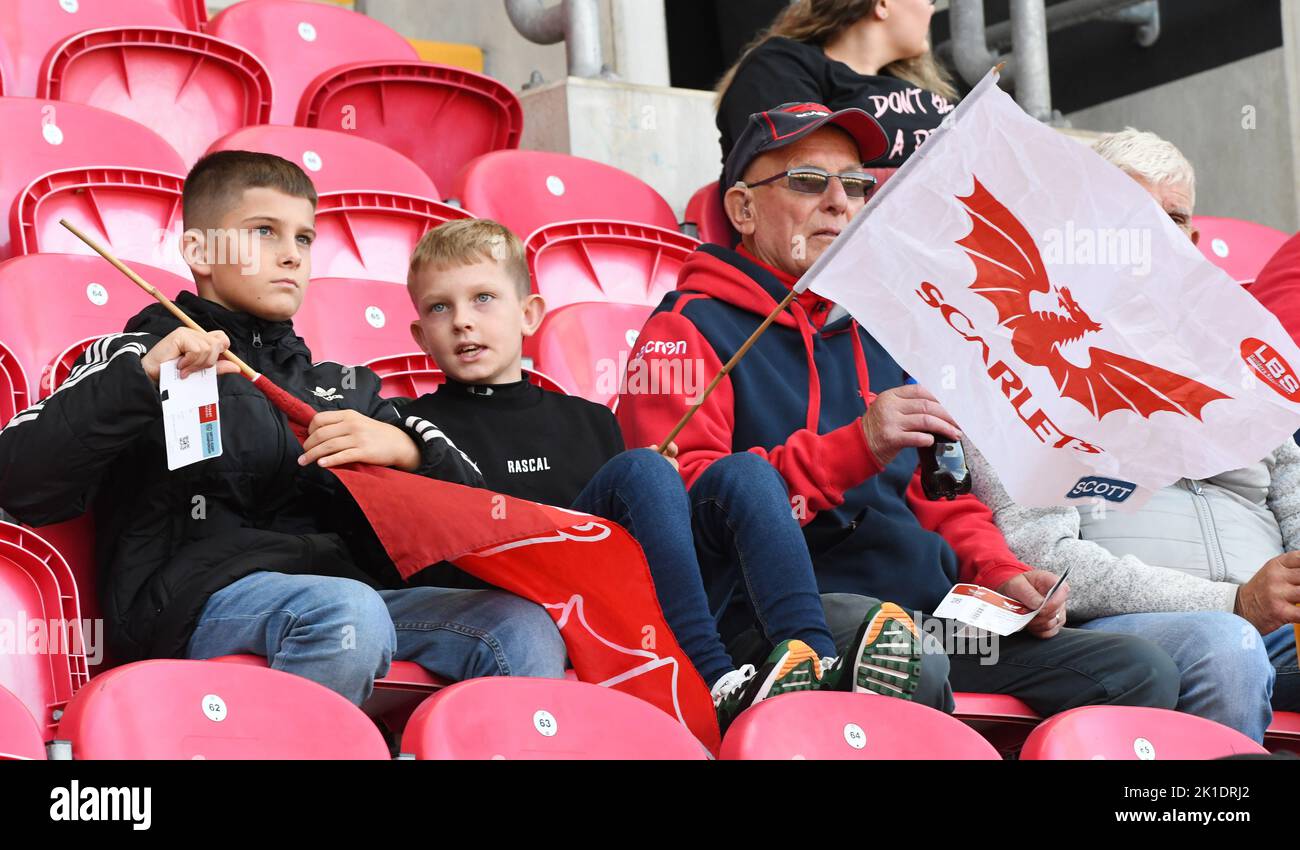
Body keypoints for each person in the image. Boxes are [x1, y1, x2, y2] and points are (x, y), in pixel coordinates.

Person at [618, 102, 1183, 717]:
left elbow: (944, 493)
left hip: (931, 612)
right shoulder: (684, 329)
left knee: (1135, 671)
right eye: (808, 181)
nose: (839, 201)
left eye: (855, 185)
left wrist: (1001, 573)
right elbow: (691, 504)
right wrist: (856, 445)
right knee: (910, 657)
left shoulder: (886, 328)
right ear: (742, 209)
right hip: (783, 615)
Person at [0, 151, 568, 706]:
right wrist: (140, 380)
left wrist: (407, 452)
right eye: (265, 232)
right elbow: (19, 479)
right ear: (199, 250)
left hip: (341, 590)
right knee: (346, 614)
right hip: (190, 602)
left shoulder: (343, 385)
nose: (292, 255)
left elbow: (484, 517)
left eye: (303, 238)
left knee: (518, 625)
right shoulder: (138, 354)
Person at [393, 217, 926, 730]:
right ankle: (711, 681)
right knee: (644, 470)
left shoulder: (590, 420)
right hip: (526, 605)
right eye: (440, 308)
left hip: (624, 605)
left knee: (742, 473)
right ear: (419, 333)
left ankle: (817, 662)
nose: (463, 320)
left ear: (531, 313)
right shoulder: (417, 430)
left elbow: (625, 546)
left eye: (483, 298)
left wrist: (662, 489)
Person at [966, 128, 1300, 743]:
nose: (1154, 240)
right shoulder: (1018, 356)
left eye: (1171, 220)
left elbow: (1293, 496)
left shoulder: (1238, 356)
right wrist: (1231, 601)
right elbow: (1040, 556)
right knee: (1227, 649)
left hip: (1274, 623)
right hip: (1128, 628)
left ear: (1194, 240)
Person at [716, 0, 958, 177]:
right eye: (930, 0)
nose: (931, 10)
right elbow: (798, 177)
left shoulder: (921, 90)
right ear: (882, 4)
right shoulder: (781, 65)